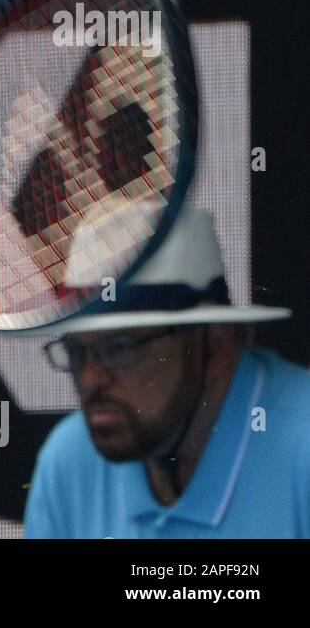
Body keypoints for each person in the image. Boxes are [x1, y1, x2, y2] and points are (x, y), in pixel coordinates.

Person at [24, 205, 306, 538]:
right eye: (75, 351)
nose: (89, 379)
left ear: (213, 346)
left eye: (119, 349)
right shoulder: (69, 460)